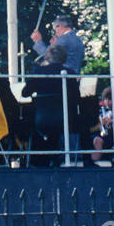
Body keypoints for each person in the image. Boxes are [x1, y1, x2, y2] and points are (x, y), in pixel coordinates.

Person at [31, 14, 84, 152]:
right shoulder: (77, 40)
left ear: (60, 26)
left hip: (61, 81)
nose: (55, 32)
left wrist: (38, 41)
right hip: (72, 82)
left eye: (55, 29)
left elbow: (48, 55)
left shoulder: (64, 40)